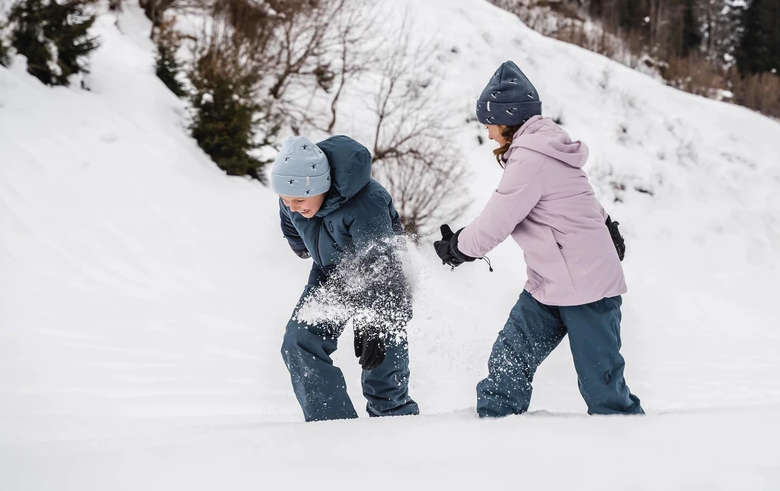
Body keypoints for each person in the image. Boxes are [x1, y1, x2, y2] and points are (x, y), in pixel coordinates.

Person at [434, 61, 643, 418]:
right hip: (550, 283)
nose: (488, 134)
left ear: (507, 119)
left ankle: (625, 446)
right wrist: (607, 224)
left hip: (589, 288)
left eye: (490, 124)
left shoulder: (532, 158)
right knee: (508, 360)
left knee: (602, 386)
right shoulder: (542, 150)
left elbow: (497, 221)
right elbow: (579, 196)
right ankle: (493, 430)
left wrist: (458, 248)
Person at [273, 134, 419, 422]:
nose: (292, 207)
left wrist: (374, 322)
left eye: (299, 200)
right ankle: (332, 423)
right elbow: (294, 232)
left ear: (320, 185)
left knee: (380, 359)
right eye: (285, 200)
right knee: (299, 340)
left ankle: (395, 419)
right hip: (331, 274)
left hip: (384, 280)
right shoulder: (293, 201)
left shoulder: (367, 202)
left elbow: (382, 264)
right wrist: (303, 244)